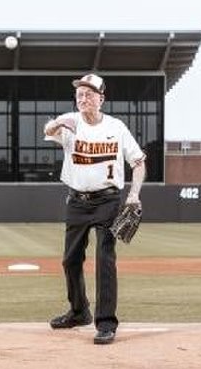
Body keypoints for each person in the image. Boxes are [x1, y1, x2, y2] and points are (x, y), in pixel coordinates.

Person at [43, 74, 146, 345]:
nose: (83, 98)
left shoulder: (116, 127)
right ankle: (79, 312)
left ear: (101, 99)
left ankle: (106, 323)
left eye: (89, 94)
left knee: (104, 258)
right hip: (77, 201)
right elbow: (48, 131)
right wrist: (57, 123)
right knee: (70, 259)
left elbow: (138, 162)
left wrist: (134, 194)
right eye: (80, 94)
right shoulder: (71, 121)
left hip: (107, 201)